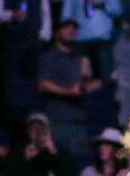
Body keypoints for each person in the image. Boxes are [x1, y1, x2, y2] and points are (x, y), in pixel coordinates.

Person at [36, 16, 101, 160]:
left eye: (74, 29)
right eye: (67, 28)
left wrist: (88, 81)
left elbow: (89, 85)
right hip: (58, 120)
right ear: (57, 32)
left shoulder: (80, 58)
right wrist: (69, 91)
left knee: (79, 163)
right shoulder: (48, 57)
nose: (71, 31)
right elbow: (43, 84)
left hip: (80, 121)